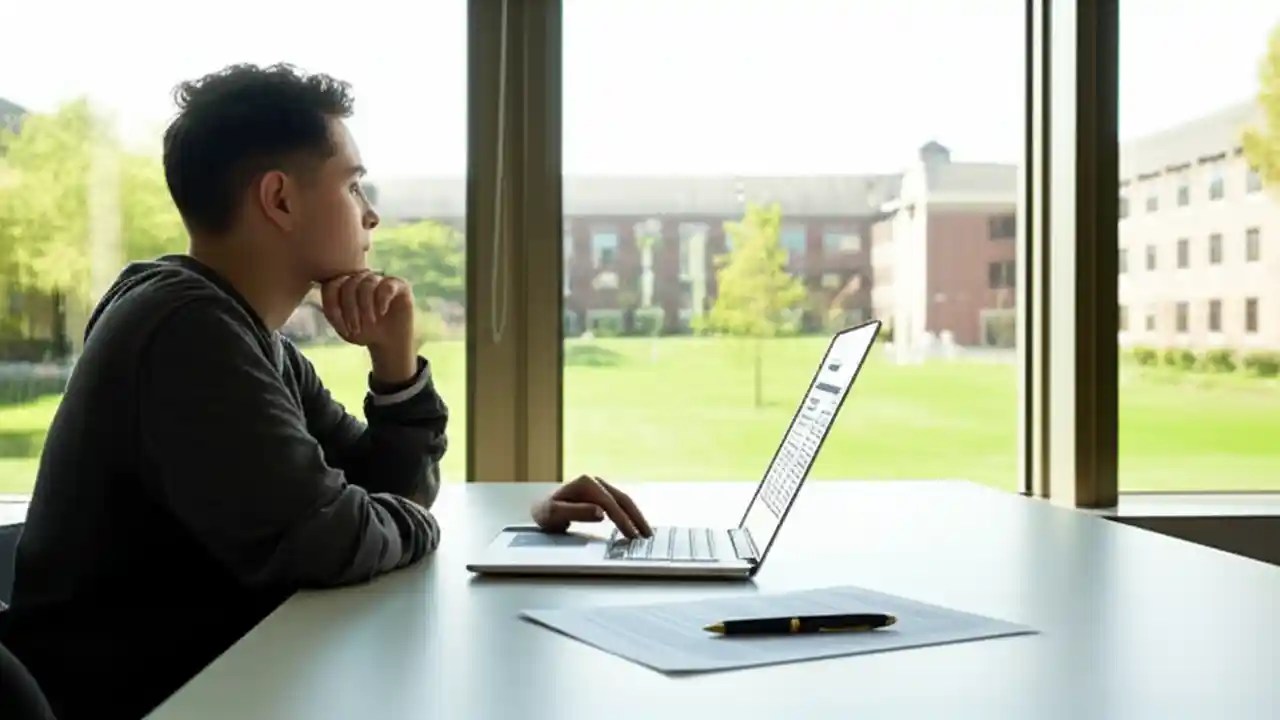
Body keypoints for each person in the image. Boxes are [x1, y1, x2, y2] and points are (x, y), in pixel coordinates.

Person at [0, 63, 650, 720]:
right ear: (279, 199)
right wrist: (434, 526)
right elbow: (327, 537)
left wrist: (394, 364)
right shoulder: (186, 331)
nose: (370, 215)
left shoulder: (248, 335)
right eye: (352, 184)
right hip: (148, 700)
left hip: (223, 675)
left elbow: (379, 492)